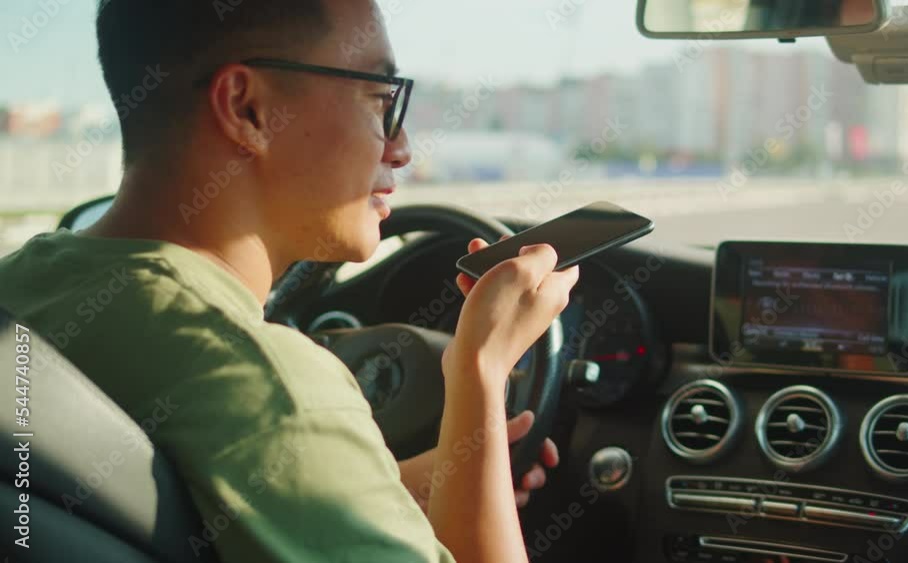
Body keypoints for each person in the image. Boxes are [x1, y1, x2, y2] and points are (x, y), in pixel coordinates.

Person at [0, 1, 579, 562]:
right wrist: (480, 367)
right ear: (248, 108)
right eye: (380, 99)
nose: (401, 149)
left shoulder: (24, 286)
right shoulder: (270, 386)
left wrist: (393, 488)